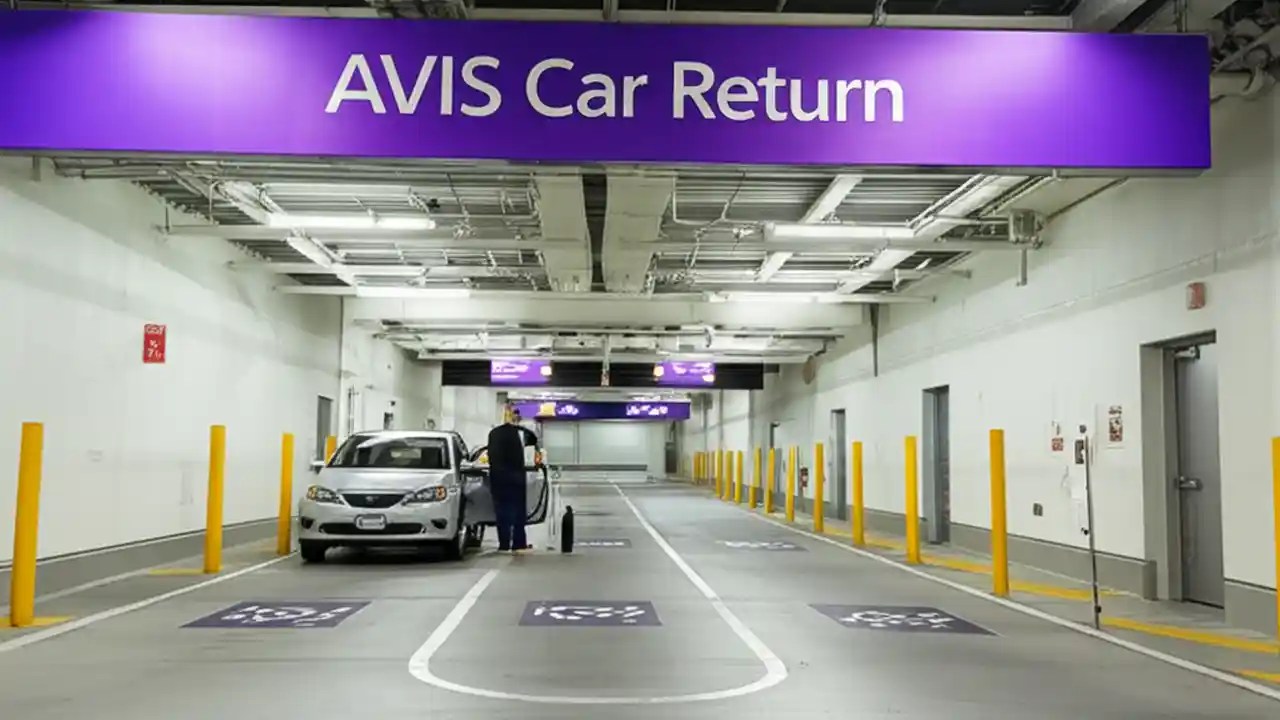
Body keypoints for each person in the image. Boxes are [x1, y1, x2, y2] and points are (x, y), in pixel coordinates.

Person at [486, 406, 538, 552]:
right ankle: (518, 542)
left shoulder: (493, 433)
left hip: (497, 479)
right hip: (516, 479)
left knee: (501, 512)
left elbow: (491, 456)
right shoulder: (520, 433)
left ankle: (503, 544)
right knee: (518, 512)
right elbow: (533, 439)